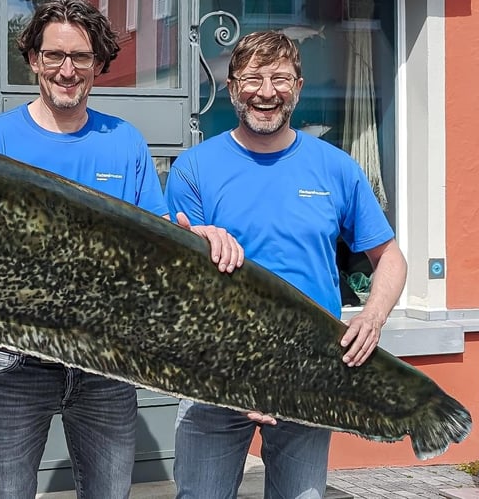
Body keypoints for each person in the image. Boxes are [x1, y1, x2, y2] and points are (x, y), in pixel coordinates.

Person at [0, 0, 243, 499]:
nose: (67, 70)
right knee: (4, 492)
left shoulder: (125, 141)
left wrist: (193, 238)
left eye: (81, 58)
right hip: (15, 358)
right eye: (54, 56)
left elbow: (154, 235)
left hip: (106, 361)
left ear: (98, 64)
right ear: (33, 58)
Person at [166, 30, 407, 499]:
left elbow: (389, 257)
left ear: (298, 86)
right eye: (253, 78)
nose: (266, 91)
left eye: (280, 78)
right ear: (233, 86)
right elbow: (181, 284)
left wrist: (372, 318)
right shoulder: (193, 169)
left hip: (308, 370)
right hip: (215, 375)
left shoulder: (336, 167)